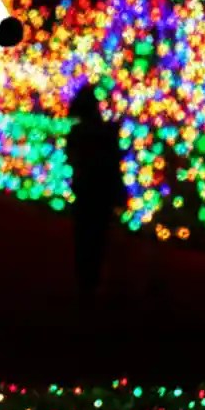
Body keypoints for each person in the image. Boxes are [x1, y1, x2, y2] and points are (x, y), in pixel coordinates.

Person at [64, 84, 125, 306]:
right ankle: (92, 282)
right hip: (101, 193)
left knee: (85, 239)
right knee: (97, 238)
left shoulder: (79, 133)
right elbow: (114, 163)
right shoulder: (106, 133)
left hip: (87, 192)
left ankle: (86, 284)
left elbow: (72, 159)